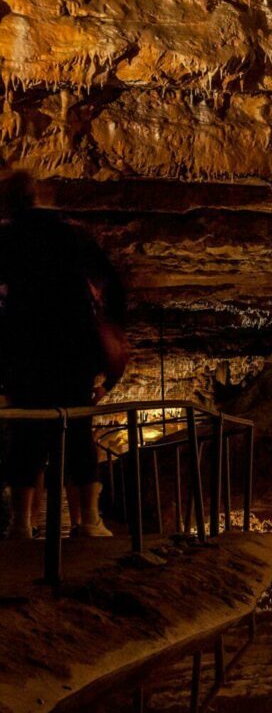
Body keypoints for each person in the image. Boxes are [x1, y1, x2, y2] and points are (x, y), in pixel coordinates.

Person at [0, 173, 128, 539]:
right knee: (77, 433)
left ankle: (23, 524)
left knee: (25, 436)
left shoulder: (7, 239)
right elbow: (112, 287)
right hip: (73, 352)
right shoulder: (73, 236)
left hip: (23, 355)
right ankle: (86, 521)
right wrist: (111, 337)